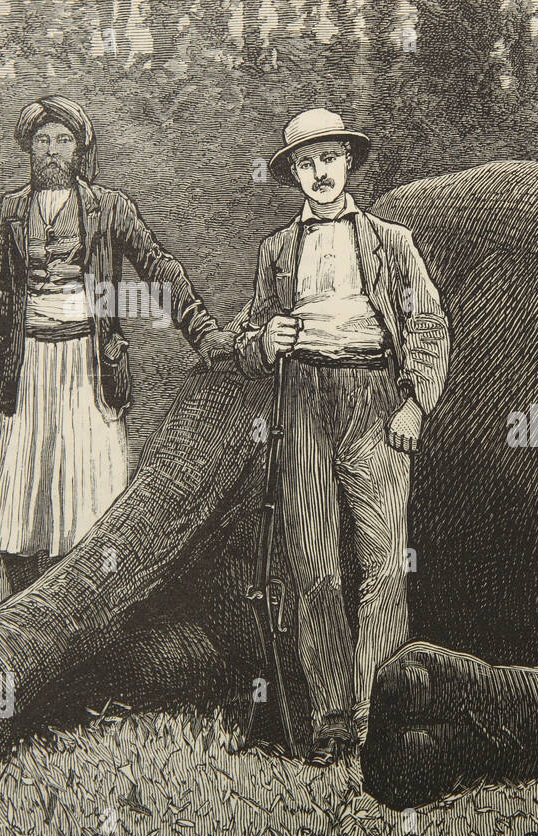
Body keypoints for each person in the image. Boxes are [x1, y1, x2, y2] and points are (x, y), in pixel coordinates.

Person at [234, 108, 450, 766]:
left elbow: (430, 325)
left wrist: (415, 403)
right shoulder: (276, 250)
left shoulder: (391, 241)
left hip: (375, 401)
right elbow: (249, 340)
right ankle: (330, 718)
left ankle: (375, 714)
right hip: (302, 403)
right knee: (316, 572)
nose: (319, 172)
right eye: (305, 163)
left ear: (348, 163)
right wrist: (263, 344)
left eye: (329, 158)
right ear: (293, 173)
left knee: (385, 568)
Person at [0, 96, 231, 594]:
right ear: (29, 149)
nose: (51, 151)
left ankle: (84, 620)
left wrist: (201, 329)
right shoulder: (10, 210)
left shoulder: (108, 207)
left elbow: (157, 268)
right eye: (42, 141)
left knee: (86, 504)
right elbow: (1, 301)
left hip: (89, 366)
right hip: (26, 369)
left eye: (62, 141)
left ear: (79, 149)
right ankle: (20, 614)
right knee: (22, 501)